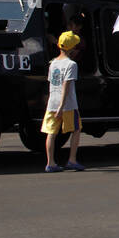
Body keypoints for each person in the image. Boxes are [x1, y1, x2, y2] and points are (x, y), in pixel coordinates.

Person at [44, 31, 85, 172]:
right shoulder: (71, 64)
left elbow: (51, 83)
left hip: (52, 103)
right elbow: (66, 85)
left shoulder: (53, 63)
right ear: (71, 48)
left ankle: (51, 162)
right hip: (68, 105)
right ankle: (72, 160)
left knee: (51, 133)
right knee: (76, 129)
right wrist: (62, 106)